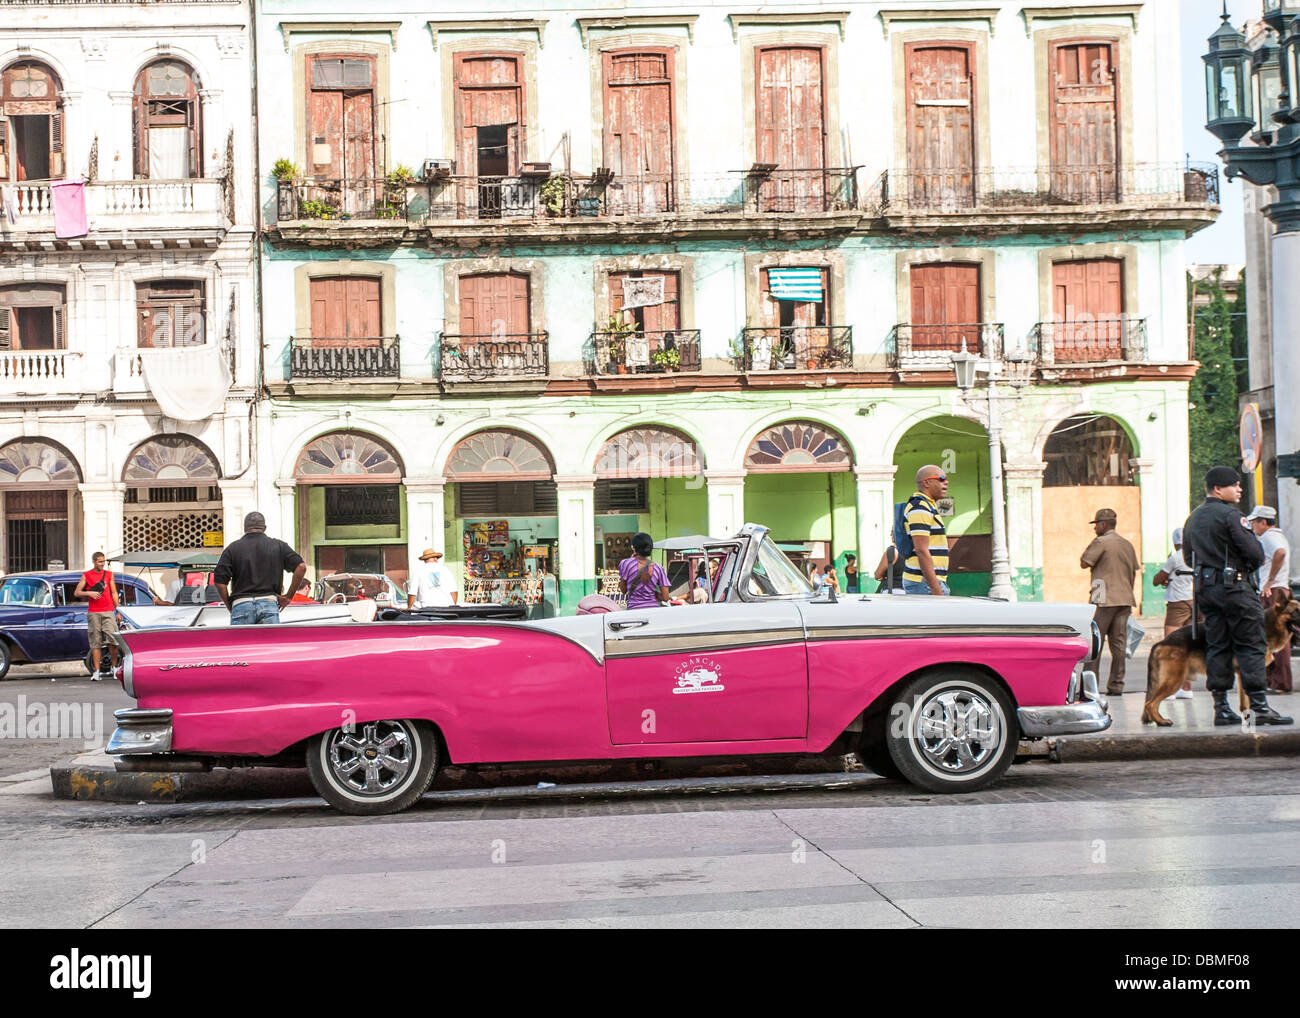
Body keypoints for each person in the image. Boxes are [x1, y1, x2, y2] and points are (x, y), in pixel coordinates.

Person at [1183, 466, 1292, 726]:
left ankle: (1221, 708)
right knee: (1251, 644)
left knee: (1217, 645)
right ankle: (1259, 708)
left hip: (1206, 590)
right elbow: (1255, 555)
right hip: (1236, 590)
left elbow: (1188, 558)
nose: (1240, 489)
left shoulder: (1194, 518)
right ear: (1218, 489)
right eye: (1234, 485)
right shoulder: (1232, 516)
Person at [1079, 508, 1139, 695]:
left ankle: (1090, 686)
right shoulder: (1127, 544)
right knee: (1119, 645)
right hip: (1124, 599)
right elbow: (1133, 572)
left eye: (1096, 524)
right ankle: (1116, 685)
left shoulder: (1101, 542)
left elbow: (1084, 562)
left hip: (1104, 599)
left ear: (1104, 525)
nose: (1095, 528)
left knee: (1095, 642)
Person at [214, 511, 307, 625]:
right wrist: (288, 596)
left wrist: (229, 604)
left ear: (245, 528)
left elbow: (219, 581)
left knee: (242, 643)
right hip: (269, 603)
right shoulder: (278, 546)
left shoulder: (232, 549)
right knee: (267, 643)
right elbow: (301, 567)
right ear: (265, 528)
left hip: (241, 604)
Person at [1245, 505, 1292, 694]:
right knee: (1272, 637)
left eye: (1254, 522)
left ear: (1264, 522)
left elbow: (1280, 553)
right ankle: (1274, 680)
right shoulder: (1275, 535)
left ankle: (1279, 682)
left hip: (1272, 591)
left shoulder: (1269, 537)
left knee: (1275, 637)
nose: (1253, 526)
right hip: (1276, 589)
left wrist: (1269, 581)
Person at [1153, 527, 1197, 698]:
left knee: (1171, 646)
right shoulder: (1196, 555)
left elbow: (1157, 580)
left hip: (1177, 603)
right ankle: (1186, 688)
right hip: (1195, 602)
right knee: (1188, 647)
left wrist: (1164, 577)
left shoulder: (1176, 557)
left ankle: (1170, 688)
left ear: (1175, 541)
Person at [902, 465, 950, 595]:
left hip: (928, 582)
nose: (946, 482)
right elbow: (921, 550)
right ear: (927, 483)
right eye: (941, 478)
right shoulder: (920, 508)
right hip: (925, 583)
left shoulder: (928, 507)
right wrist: (936, 589)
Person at [73, 551, 119, 680]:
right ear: (94, 561)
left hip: (108, 610)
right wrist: (90, 594)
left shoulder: (109, 575)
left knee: (113, 640)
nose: (102, 564)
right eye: (99, 561)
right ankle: (97, 672)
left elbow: (114, 592)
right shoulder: (87, 575)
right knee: (95, 642)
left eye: (103, 561)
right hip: (93, 612)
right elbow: (77, 592)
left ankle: (115, 669)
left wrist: (118, 610)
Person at [619, 531, 669, 608]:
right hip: (653, 610)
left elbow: (623, 590)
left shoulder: (625, 564)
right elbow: (665, 597)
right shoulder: (658, 568)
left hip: (634, 610)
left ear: (634, 548)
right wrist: (652, 593)